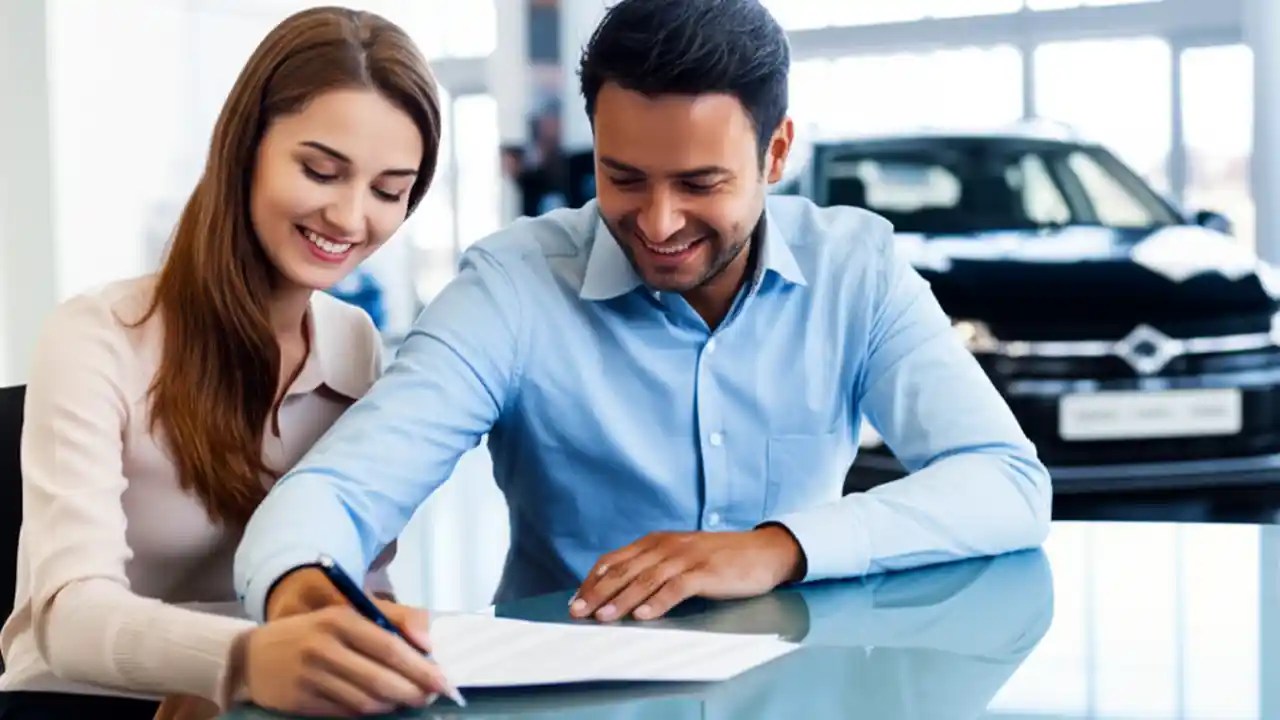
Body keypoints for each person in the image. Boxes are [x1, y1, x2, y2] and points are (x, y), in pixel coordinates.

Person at [238, 0, 1050, 657]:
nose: (659, 223)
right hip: (567, 689)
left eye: (702, 183)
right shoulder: (513, 289)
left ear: (776, 154)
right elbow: (342, 488)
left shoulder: (855, 269)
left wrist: (780, 546)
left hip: (801, 684)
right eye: (623, 177)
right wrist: (307, 595)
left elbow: (1006, 482)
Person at [0, 7, 454, 719]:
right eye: (320, 171)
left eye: (389, 191)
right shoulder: (96, 337)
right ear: (244, 149)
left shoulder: (353, 343)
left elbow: (361, 574)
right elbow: (66, 615)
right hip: (85, 698)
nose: (349, 216)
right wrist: (233, 663)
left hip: (268, 703)